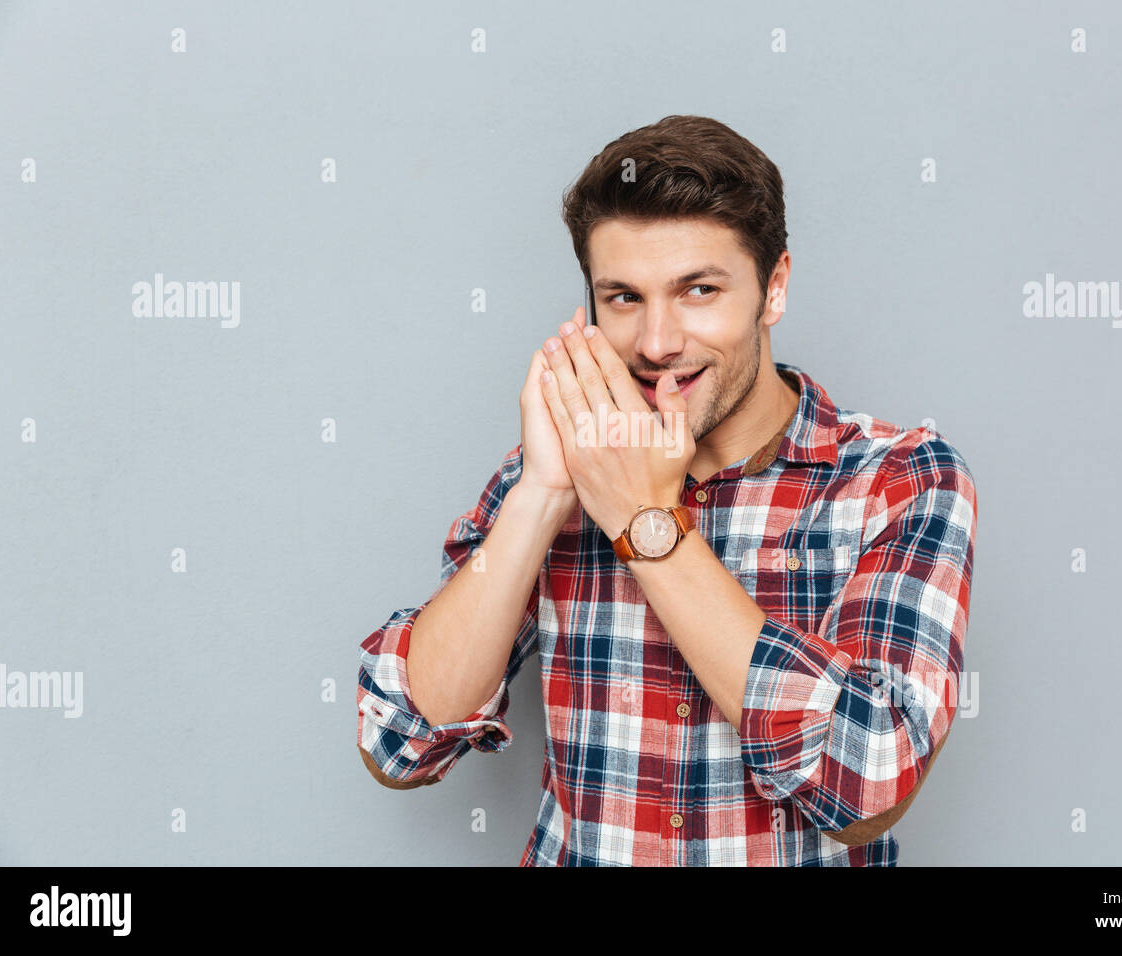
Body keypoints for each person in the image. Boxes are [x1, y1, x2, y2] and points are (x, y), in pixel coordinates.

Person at [356, 114, 978, 866]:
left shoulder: (898, 479)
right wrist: (545, 493)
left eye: (698, 290)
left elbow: (867, 785)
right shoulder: (564, 466)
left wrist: (645, 520)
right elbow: (400, 741)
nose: (656, 343)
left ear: (773, 287)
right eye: (623, 297)